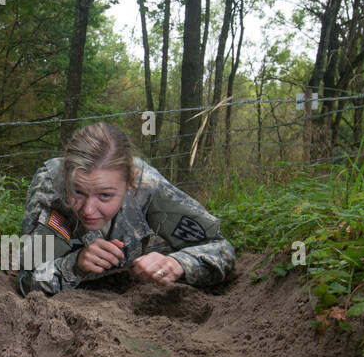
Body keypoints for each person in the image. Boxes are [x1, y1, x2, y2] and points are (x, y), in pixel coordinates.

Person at [15, 122, 236, 297]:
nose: (88, 210)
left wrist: (177, 263)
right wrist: (76, 264)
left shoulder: (148, 186)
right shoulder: (51, 186)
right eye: (78, 192)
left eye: (105, 195)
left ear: (131, 182)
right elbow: (28, 279)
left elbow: (220, 248)